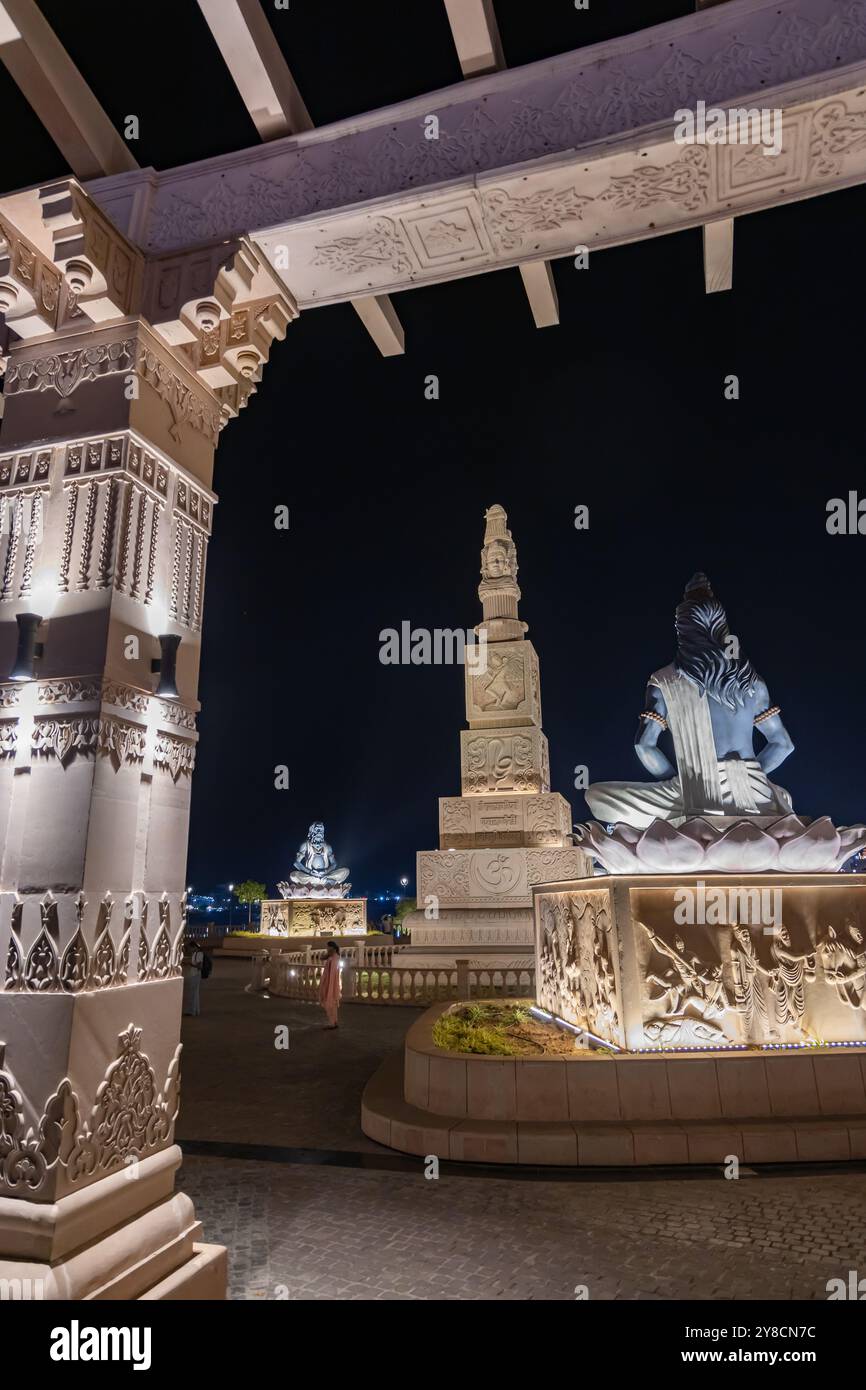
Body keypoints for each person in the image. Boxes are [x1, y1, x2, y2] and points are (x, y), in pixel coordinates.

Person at [318, 940, 341, 1029]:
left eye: (328, 947)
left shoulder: (334, 958)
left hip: (331, 983)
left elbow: (332, 974)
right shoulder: (334, 957)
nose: (327, 949)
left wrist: (329, 987)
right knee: (333, 1003)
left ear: (333, 948)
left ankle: (332, 1022)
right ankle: (334, 1021)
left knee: (329, 1002)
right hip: (331, 982)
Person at [182, 938, 204, 1017]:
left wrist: (190, 965)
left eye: (190, 948)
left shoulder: (199, 954)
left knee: (193, 993)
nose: (190, 950)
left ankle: (192, 1010)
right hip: (194, 974)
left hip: (196, 974)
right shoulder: (196, 954)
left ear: (194, 947)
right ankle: (195, 1010)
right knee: (195, 993)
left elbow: (199, 966)